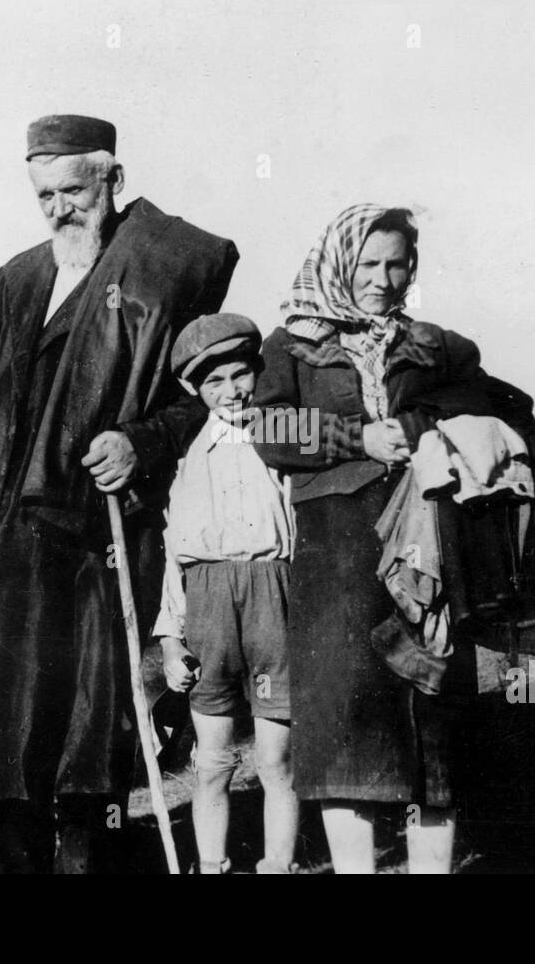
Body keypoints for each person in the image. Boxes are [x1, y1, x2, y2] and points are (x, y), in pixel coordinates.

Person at [0, 114, 239, 873]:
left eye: (72, 190)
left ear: (111, 178)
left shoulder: (168, 265)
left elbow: (207, 394)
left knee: (86, 734)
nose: (57, 209)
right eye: (43, 194)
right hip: (0, 553)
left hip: (99, 549)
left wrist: (139, 441)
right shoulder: (16, 280)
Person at [252, 203, 535, 873]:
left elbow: (494, 411)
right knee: (342, 729)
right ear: (339, 263)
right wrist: (355, 437)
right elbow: (269, 431)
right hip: (337, 560)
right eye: (370, 264)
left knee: (430, 722)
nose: (385, 278)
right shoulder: (292, 344)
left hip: (430, 551)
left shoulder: (438, 345)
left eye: (398, 263)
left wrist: (420, 432)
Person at [154, 314, 298, 875]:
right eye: (215, 382)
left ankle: (277, 864)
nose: (231, 391)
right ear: (194, 389)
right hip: (208, 601)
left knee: (275, 760)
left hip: (273, 595)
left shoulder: (285, 437)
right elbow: (172, 555)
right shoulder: (186, 454)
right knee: (213, 761)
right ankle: (210, 864)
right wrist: (170, 641)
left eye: (241, 375)